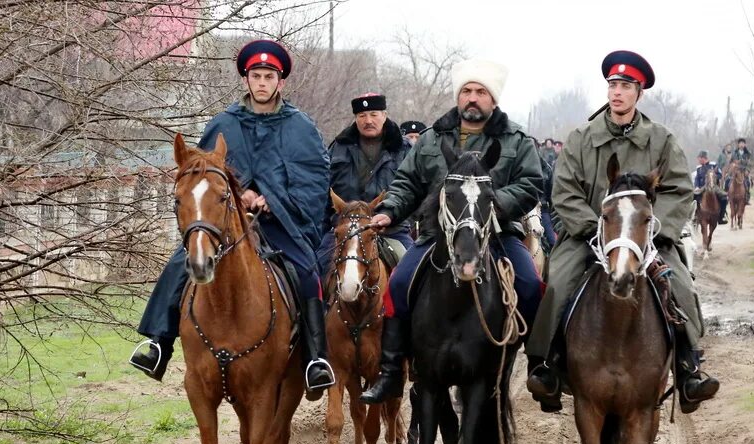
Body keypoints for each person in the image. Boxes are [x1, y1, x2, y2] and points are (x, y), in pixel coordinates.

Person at [129, 39, 335, 397]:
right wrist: (238, 196)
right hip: (226, 222)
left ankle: (316, 359)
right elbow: (203, 172)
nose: (262, 82)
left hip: (280, 224)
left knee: (306, 272)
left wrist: (273, 200)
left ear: (280, 82)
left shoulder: (301, 127)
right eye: (256, 75)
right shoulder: (224, 123)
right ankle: (158, 344)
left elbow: (315, 181)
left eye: (269, 76)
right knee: (181, 263)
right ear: (246, 80)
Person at [525, 50, 719, 414]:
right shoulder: (581, 138)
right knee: (558, 282)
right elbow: (564, 192)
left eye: (625, 86)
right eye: (613, 85)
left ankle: (689, 367)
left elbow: (678, 191)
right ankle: (546, 365)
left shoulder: (662, 140)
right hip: (590, 237)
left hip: (648, 237)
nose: (617, 92)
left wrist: (653, 230)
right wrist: (594, 228)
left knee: (680, 284)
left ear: (639, 93)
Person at [359, 58, 545, 405]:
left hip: (497, 233)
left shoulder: (516, 139)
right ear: (458, 97)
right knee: (398, 284)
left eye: (480, 92)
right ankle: (391, 372)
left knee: (531, 284)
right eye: (466, 91)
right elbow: (407, 182)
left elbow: (532, 183)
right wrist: (389, 210)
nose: (472, 98)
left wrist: (488, 205)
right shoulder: (432, 138)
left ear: (493, 99)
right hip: (438, 236)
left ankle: (538, 365)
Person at [317, 93, 413, 275]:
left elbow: (414, 191)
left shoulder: (404, 149)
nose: (368, 120)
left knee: (409, 275)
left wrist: (393, 215)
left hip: (391, 230)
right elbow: (323, 192)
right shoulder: (338, 147)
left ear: (384, 115)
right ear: (356, 118)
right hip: (345, 229)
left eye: (374, 114)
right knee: (314, 270)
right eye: (362, 116)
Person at [693, 150, 728, 225]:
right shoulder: (699, 168)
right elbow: (697, 179)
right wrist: (696, 187)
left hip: (714, 186)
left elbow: (720, 175)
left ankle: (722, 216)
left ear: (703, 158)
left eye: (699, 158)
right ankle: (695, 216)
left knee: (724, 198)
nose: (698, 160)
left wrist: (713, 177)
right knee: (693, 197)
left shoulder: (713, 165)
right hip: (702, 187)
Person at [728, 137, 753, 204]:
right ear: (738, 145)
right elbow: (730, 162)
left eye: (743, 143)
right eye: (740, 143)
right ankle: (728, 196)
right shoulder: (734, 153)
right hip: (735, 172)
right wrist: (732, 165)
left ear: (745, 145)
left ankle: (747, 197)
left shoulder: (748, 154)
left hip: (744, 172)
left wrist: (747, 170)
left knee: (747, 182)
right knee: (728, 181)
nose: (741, 145)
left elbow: (750, 164)